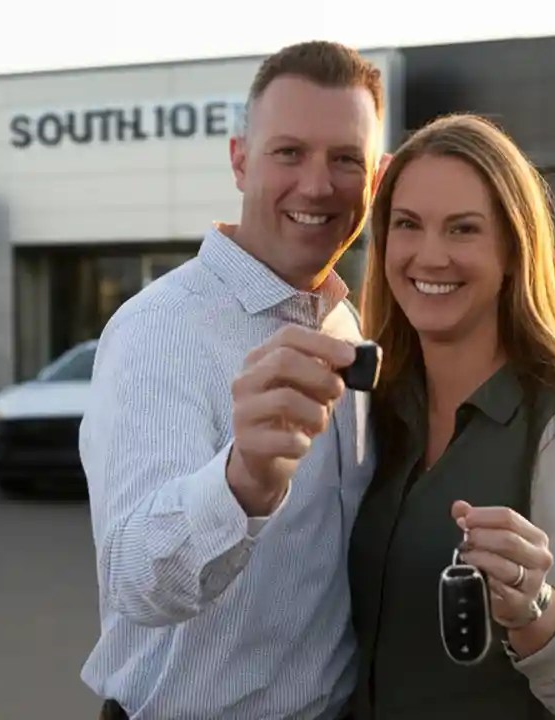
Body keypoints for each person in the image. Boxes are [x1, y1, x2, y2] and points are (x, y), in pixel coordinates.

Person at [78, 40, 390, 720]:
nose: (317, 185)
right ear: (240, 159)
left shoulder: (344, 322)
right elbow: (133, 577)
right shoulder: (159, 329)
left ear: (376, 178)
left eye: (345, 159)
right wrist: (242, 480)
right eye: (289, 152)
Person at [347, 113, 555, 719]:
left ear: (514, 251)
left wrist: (535, 611)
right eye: (407, 225)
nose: (430, 255)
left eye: (463, 229)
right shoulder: (372, 410)